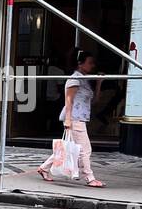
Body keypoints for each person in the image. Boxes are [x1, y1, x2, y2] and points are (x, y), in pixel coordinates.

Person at [37, 50, 104, 188]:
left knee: (68, 148)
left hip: (80, 117)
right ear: (80, 64)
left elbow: (94, 101)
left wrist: (99, 84)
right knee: (85, 149)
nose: (92, 66)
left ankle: (44, 168)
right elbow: (69, 100)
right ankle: (89, 177)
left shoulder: (84, 80)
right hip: (74, 118)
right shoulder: (75, 79)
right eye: (89, 63)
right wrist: (68, 119)